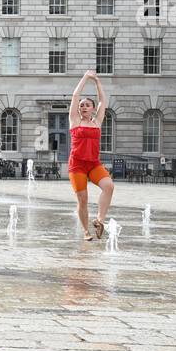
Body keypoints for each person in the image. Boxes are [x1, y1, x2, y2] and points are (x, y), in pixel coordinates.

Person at [69, 70, 115, 241]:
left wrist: (97, 82)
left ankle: (99, 220)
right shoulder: (75, 120)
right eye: (82, 105)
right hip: (77, 165)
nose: (83, 107)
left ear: (93, 109)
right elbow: (75, 96)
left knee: (109, 186)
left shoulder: (97, 122)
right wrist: (86, 77)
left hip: (94, 164)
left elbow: (103, 100)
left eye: (87, 105)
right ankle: (86, 231)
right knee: (83, 199)